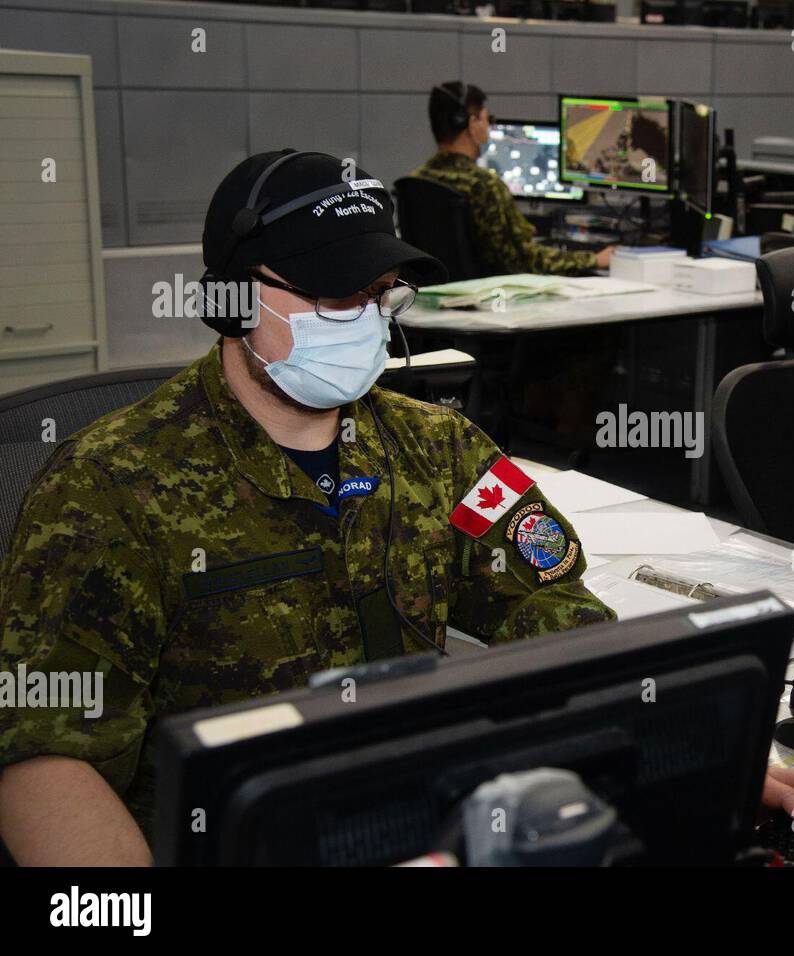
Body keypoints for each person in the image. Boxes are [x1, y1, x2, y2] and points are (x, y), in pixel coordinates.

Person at [0, 150, 617, 865]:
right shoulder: (109, 486)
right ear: (231, 299)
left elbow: (551, 613)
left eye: (382, 292)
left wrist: (674, 727)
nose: (365, 320)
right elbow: (43, 754)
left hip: (422, 833)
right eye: (333, 296)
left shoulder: (439, 448)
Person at [409, 81, 614, 276]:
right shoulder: (484, 185)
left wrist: (517, 229)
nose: (489, 127)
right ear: (473, 124)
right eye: (488, 119)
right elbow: (521, 260)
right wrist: (593, 259)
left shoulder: (415, 181)